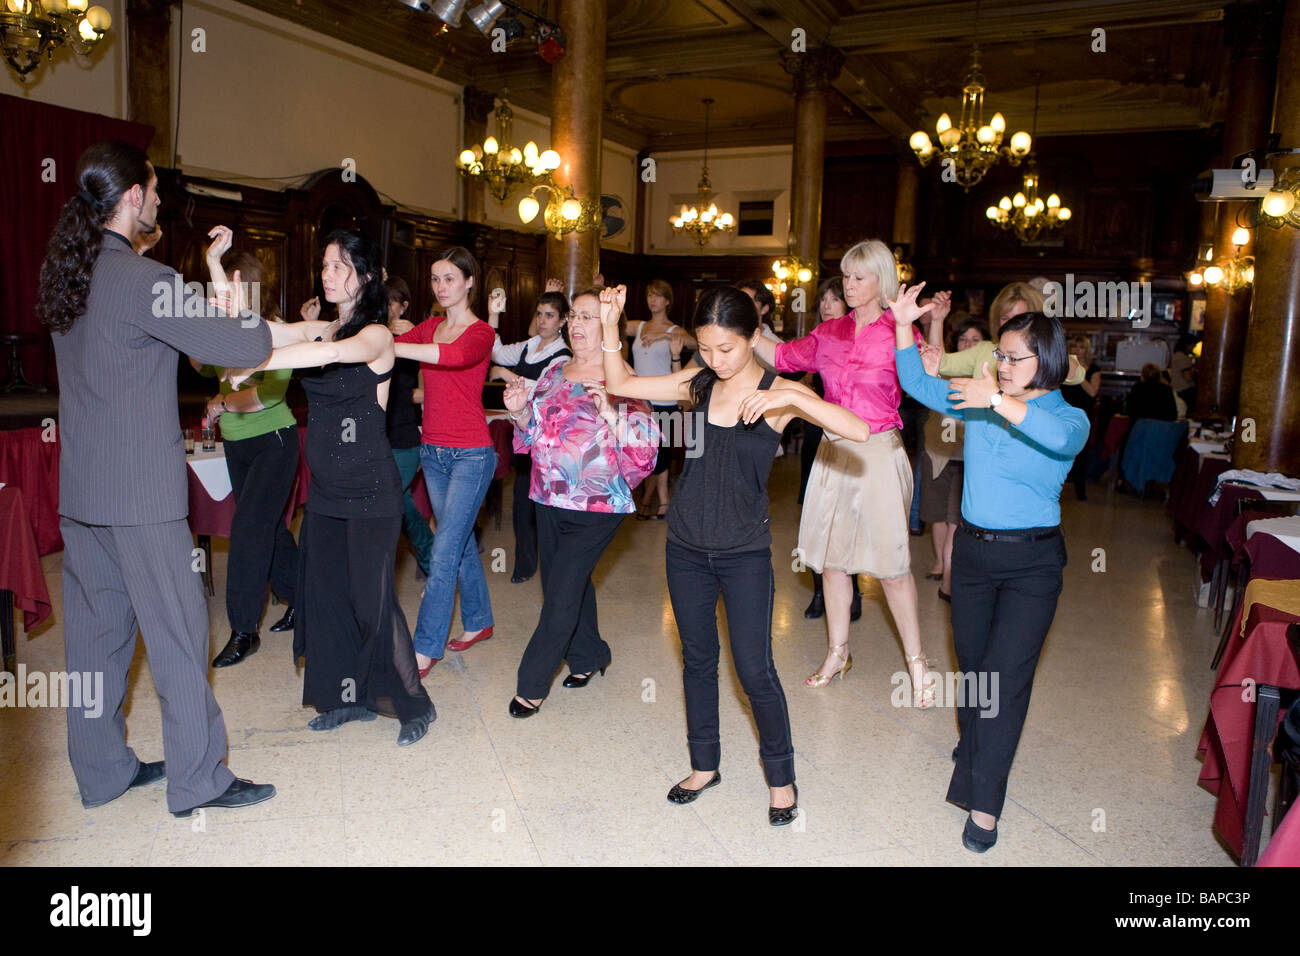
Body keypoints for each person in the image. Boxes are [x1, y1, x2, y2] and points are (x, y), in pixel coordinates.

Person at [38, 140, 286, 818]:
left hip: (83, 492)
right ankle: (199, 779)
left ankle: (102, 771)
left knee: (95, 640)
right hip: (142, 497)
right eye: (151, 191)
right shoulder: (146, 282)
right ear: (128, 200)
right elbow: (239, 348)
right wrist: (244, 309)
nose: (156, 202)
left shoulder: (74, 273)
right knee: (178, 633)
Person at [600, 284, 871, 825]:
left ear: (752, 338)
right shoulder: (698, 383)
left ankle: (781, 777)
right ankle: (705, 765)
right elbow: (621, 382)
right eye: (706, 348)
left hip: (744, 553)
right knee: (697, 661)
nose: (716, 359)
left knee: (754, 669)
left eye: (727, 348)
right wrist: (610, 326)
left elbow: (860, 430)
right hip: (684, 547)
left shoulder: (778, 391)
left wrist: (792, 399)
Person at [894, 293, 1089, 852]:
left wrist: (995, 398)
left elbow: (1057, 441)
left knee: (1004, 683)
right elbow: (920, 386)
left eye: (1013, 357)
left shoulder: (1067, 415)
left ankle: (984, 806)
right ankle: (976, 741)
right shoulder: (983, 399)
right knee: (976, 668)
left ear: (1046, 362)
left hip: (1032, 563)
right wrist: (906, 328)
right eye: (999, 355)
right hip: (974, 557)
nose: (1001, 366)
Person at [233, 231, 436, 746]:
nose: (327, 274)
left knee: (372, 600)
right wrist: (226, 292)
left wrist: (261, 363)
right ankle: (348, 698)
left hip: (370, 492)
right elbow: (271, 329)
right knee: (325, 595)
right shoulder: (323, 328)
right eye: (324, 265)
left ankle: (413, 702)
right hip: (325, 492)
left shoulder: (376, 337)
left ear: (365, 276)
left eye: (339, 266)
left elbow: (324, 350)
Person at [751, 239, 935, 706]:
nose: (849, 286)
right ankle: (838, 653)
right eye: (845, 277)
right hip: (832, 452)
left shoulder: (900, 329)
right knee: (832, 562)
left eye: (859, 278)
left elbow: (921, 380)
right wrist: (748, 332)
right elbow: (785, 357)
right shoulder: (830, 332)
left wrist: (926, 347)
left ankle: (918, 663)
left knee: (893, 567)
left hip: (877, 451)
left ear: (881, 281)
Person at [504, 289, 659, 717]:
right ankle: (590, 656)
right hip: (547, 496)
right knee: (566, 584)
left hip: (597, 504)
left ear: (607, 325)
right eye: (574, 315)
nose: (576, 324)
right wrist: (518, 412)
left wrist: (611, 412)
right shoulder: (555, 369)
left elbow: (647, 449)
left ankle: (531, 684)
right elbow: (533, 432)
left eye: (588, 317)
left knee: (561, 592)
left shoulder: (620, 374)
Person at [193, 233, 300, 667]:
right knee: (270, 528)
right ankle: (301, 597)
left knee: (249, 528)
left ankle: (243, 630)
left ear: (246, 287)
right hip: (237, 443)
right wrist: (201, 325)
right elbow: (199, 364)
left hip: (275, 440)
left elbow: (266, 398)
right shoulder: (228, 327)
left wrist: (220, 402)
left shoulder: (274, 332)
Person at [394, 248, 497, 673]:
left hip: (472, 454)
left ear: (470, 282)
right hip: (432, 452)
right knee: (460, 544)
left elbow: (451, 358)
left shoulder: (481, 333)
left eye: (450, 278)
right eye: (436, 279)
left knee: (443, 551)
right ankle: (479, 621)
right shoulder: (431, 326)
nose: (441, 287)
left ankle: (425, 646)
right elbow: (394, 346)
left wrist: (401, 345)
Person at [488, 287, 573, 583]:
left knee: (537, 503)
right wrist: (493, 314)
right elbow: (496, 351)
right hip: (522, 434)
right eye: (539, 314)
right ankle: (526, 563)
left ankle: (543, 564)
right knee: (524, 501)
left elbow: (545, 387)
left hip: (546, 437)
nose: (542, 320)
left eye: (549, 315)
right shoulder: (532, 344)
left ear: (563, 321)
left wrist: (506, 374)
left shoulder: (562, 355)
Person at [798, 277, 863, 623]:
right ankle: (820, 592)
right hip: (817, 432)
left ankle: (852, 592)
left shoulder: (856, 340)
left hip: (849, 434)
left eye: (833, 299)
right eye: (822, 299)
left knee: (847, 516)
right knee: (815, 513)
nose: (826, 305)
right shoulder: (815, 340)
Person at [920, 318, 987, 599]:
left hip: (968, 460)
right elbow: (935, 357)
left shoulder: (988, 378)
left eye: (975, 340)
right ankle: (941, 565)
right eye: (963, 339)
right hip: (938, 450)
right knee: (936, 514)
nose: (968, 345)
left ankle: (949, 578)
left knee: (954, 520)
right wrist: (937, 320)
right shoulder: (948, 370)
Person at [626, 279, 695, 519]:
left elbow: (695, 343)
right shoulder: (639, 326)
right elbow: (613, 325)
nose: (652, 300)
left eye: (657, 296)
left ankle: (661, 500)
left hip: (664, 400)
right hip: (638, 400)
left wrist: (663, 338)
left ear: (667, 301)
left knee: (661, 451)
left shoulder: (673, 330)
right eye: (649, 295)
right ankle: (650, 498)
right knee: (643, 452)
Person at [383, 276, 434, 578]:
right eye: (383, 299)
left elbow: (431, 389)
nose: (386, 307)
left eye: (392, 301)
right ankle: (428, 553)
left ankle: (429, 555)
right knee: (394, 500)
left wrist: (416, 335)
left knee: (392, 498)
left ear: (403, 306)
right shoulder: (372, 336)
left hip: (403, 436)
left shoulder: (416, 339)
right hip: (374, 434)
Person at [1059, 334, 1101, 500]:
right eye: (1074, 347)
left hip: (1082, 414)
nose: (1077, 350)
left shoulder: (1093, 369)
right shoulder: (1063, 367)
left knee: (1081, 454)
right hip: (1063, 412)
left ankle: (1080, 490)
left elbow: (1092, 392)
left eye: (1081, 347)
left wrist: (1078, 373)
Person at [1169, 334, 1198, 409]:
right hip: (1184, 391)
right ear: (1187, 345)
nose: (1193, 348)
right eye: (1193, 345)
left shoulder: (1179, 356)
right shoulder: (1181, 357)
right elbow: (1188, 377)